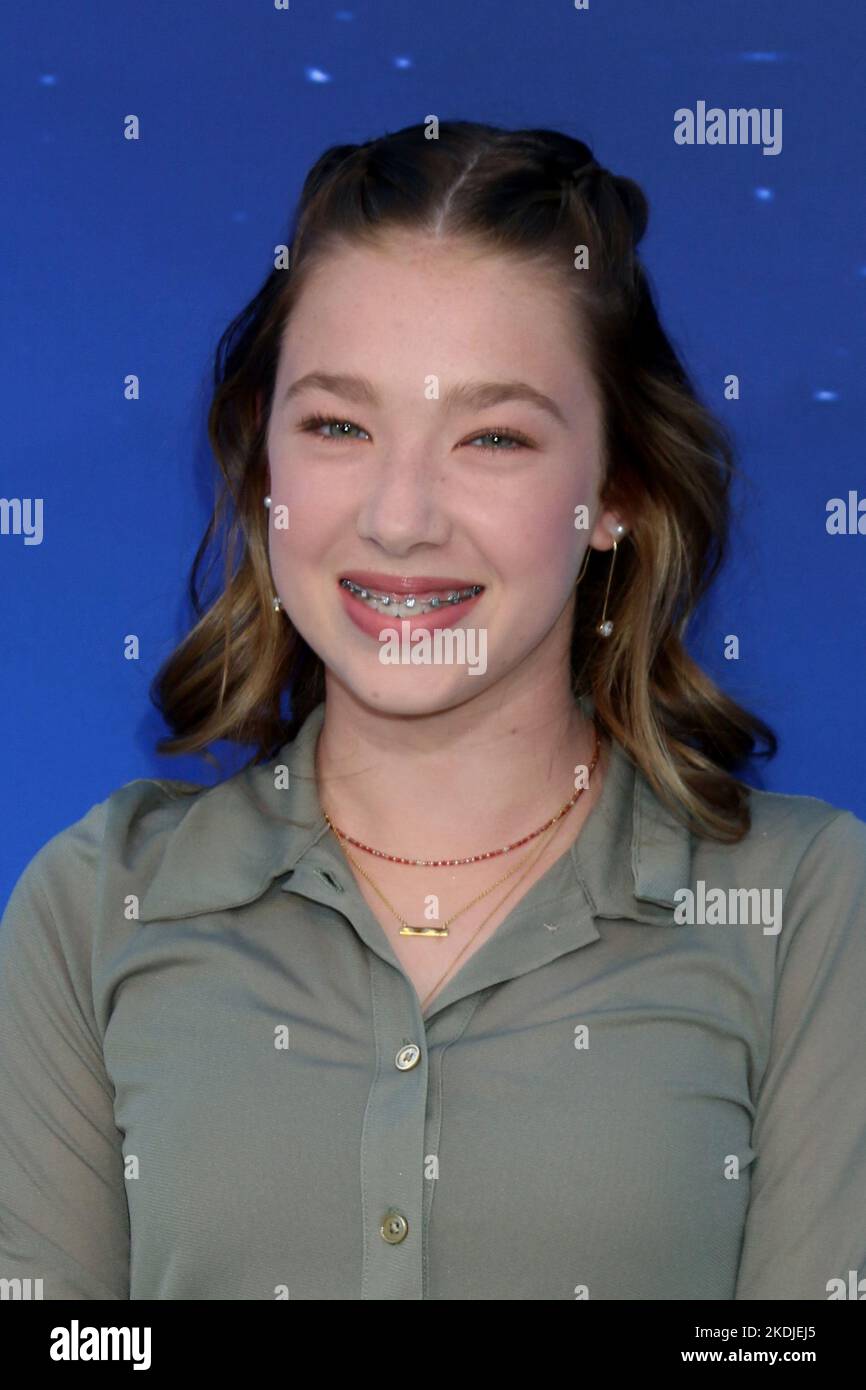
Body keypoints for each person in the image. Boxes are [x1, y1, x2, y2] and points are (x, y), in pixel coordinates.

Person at [1, 121, 864, 1302]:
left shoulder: (808, 913)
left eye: (492, 435)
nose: (400, 517)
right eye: (338, 426)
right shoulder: (92, 907)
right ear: (264, 473)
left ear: (614, 491)